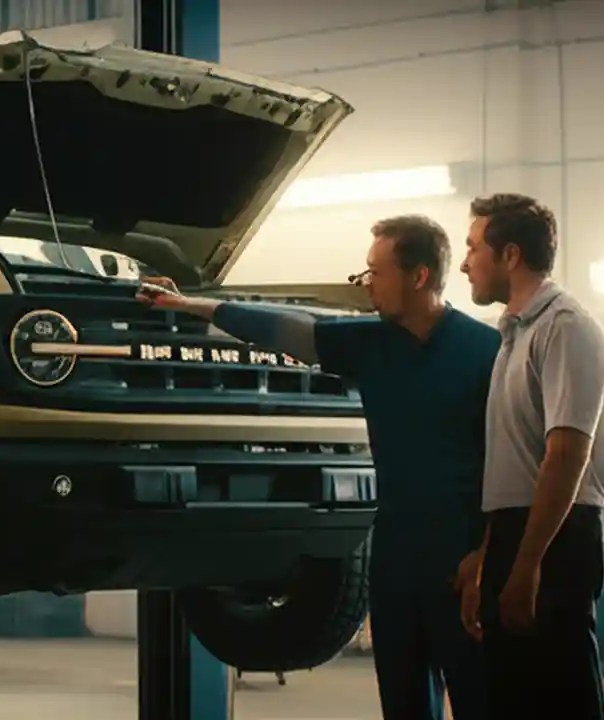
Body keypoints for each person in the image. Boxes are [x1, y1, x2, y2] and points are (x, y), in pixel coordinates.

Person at [138, 215, 498, 720]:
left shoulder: (487, 352)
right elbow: (284, 329)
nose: (367, 284)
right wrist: (187, 304)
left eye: (375, 272)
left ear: (418, 276)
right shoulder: (372, 343)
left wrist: (487, 558)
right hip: (395, 558)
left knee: (480, 698)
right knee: (403, 702)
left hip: (463, 561)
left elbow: (513, 468)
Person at [457, 192, 604, 719]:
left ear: (510, 255)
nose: (464, 264)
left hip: (557, 537)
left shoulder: (565, 327)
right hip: (517, 531)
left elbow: (566, 456)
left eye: (473, 247)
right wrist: (489, 555)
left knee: (562, 697)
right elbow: (513, 461)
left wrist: (527, 566)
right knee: (513, 699)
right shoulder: (513, 335)